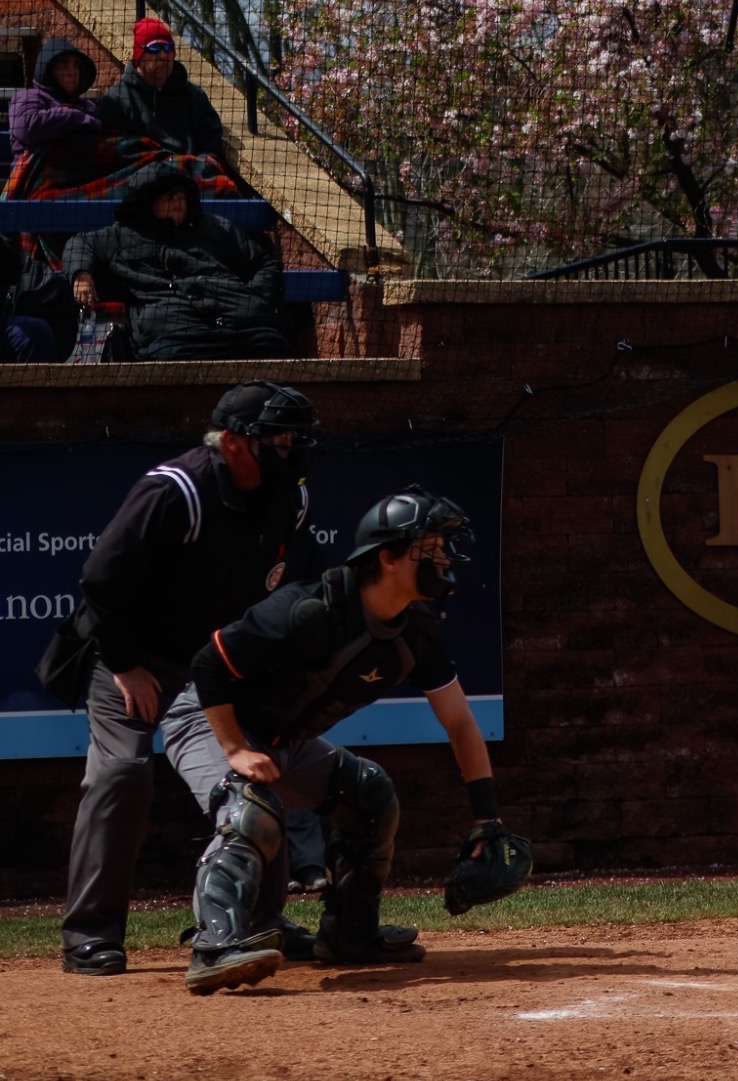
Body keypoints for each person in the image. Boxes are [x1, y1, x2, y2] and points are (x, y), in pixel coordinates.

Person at [158, 486, 512, 994]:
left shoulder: (417, 632)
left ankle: (351, 934)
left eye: (442, 547)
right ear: (387, 558)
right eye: (428, 547)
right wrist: (235, 750)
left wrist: (487, 818)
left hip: (286, 739)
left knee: (369, 792)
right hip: (208, 718)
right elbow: (209, 664)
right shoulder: (310, 608)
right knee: (249, 807)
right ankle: (218, 942)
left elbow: (460, 723)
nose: (442, 557)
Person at [57, 382, 320, 976]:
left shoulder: (290, 496)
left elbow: (295, 587)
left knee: (256, 760)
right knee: (123, 770)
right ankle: (89, 935)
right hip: (131, 654)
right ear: (231, 442)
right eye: (275, 438)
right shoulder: (175, 491)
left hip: (216, 661)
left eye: (294, 437)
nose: (289, 448)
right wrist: (126, 665)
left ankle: (261, 920)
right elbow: (100, 578)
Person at [63, 163, 290, 360]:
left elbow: (264, 263)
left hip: (245, 327)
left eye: (182, 195)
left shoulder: (215, 227)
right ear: (148, 201)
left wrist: (256, 300)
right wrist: (81, 274)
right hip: (175, 337)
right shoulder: (120, 237)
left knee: (272, 345)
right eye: (169, 196)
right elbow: (79, 244)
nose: (178, 200)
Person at [94, 19, 225, 160]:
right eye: (155, 48)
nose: (163, 55)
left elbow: (212, 145)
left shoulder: (194, 96)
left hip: (190, 174)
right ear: (139, 56)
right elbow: (117, 154)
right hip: (144, 176)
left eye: (168, 48)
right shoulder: (117, 100)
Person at [7, 38, 104, 169]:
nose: (72, 73)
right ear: (48, 70)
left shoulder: (88, 106)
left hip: (83, 178)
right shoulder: (29, 97)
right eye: (64, 66)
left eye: (76, 66)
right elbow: (26, 127)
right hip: (37, 181)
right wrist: (76, 117)